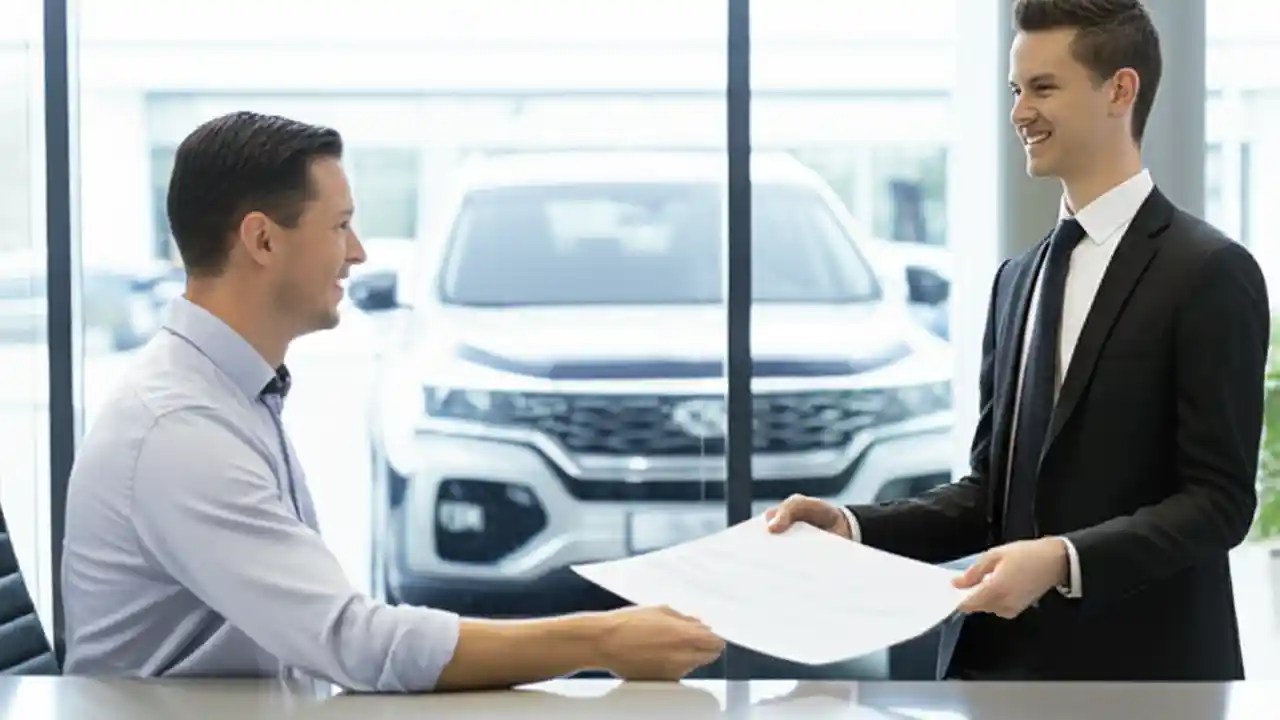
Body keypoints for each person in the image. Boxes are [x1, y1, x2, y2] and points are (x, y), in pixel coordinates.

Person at [60, 110, 724, 692]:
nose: (358, 252)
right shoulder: (180, 428)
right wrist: (603, 642)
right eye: (341, 225)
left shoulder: (227, 392)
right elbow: (356, 643)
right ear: (263, 240)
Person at [766, 0, 1268, 681]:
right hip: (994, 673)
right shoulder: (1017, 280)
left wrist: (1062, 559)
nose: (1019, 113)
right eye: (1015, 90)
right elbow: (988, 498)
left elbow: (1219, 502)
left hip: (1140, 676)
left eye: (1043, 88)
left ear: (1120, 90)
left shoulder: (1210, 271)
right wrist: (853, 527)